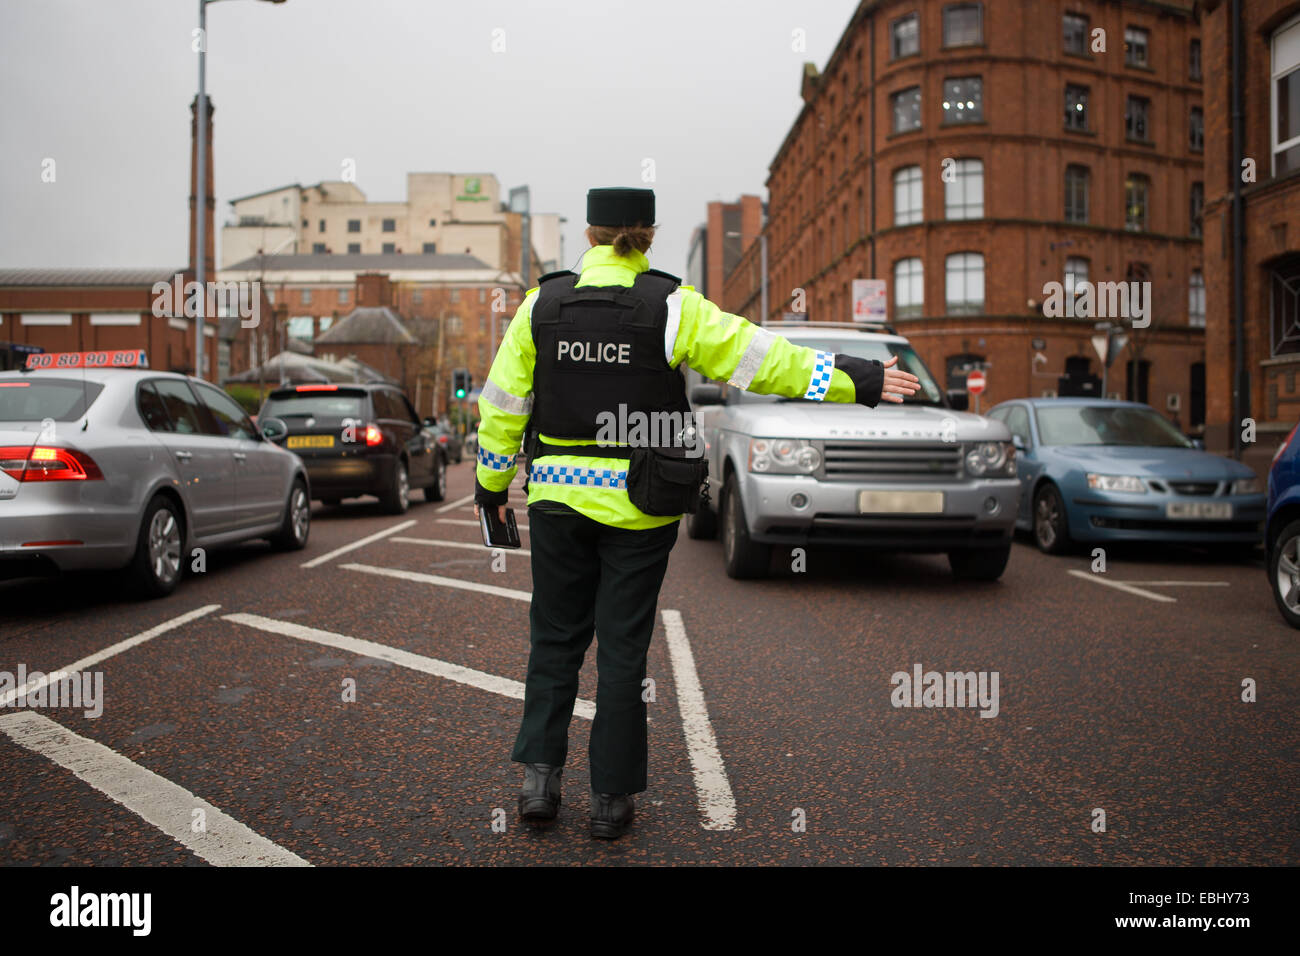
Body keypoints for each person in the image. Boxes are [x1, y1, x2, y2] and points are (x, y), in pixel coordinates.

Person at [474, 187, 919, 839]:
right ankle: (610, 800)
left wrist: (491, 486)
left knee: (554, 640)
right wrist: (861, 379)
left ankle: (539, 782)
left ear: (591, 235)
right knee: (623, 650)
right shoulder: (670, 306)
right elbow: (765, 363)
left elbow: (504, 403)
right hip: (639, 504)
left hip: (557, 499)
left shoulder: (542, 304)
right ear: (646, 236)